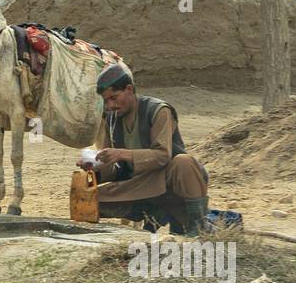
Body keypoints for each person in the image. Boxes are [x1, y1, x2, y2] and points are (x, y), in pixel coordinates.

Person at [78, 63, 212, 235]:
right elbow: (113, 169)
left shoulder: (158, 110)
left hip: (167, 180)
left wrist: (121, 154)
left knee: (184, 162)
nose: (109, 106)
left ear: (129, 89)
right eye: (105, 101)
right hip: (138, 184)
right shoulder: (111, 119)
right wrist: (93, 166)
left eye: (113, 98)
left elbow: (163, 156)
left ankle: (198, 226)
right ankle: (154, 213)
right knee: (86, 198)